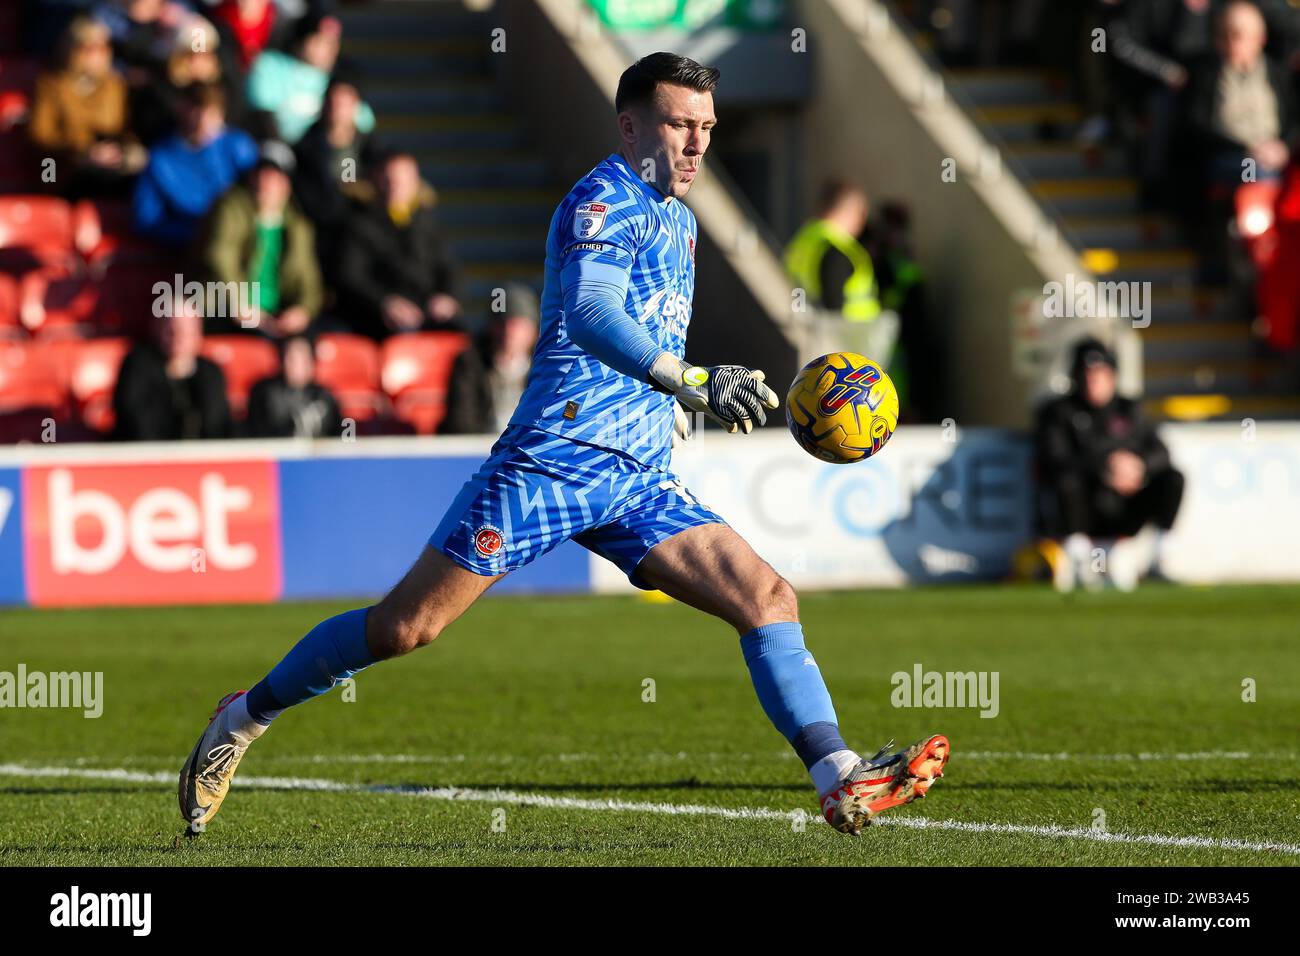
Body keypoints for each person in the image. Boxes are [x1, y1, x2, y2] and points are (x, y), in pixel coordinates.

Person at [177, 52, 949, 839]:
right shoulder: (602, 200)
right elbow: (588, 313)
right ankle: (242, 717)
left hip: (639, 477)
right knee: (405, 629)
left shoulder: (679, 221)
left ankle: (838, 776)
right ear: (629, 125)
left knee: (768, 599)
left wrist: (672, 407)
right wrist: (688, 379)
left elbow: (641, 335)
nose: (695, 145)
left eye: (708, 129)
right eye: (679, 124)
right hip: (553, 460)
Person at [1034, 337, 1185, 591]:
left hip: (1126, 505)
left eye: (1101, 374)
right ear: (1076, 377)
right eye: (1088, 375)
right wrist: (1104, 467)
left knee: (1172, 478)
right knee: (1067, 480)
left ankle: (1159, 559)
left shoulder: (1129, 409)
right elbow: (1054, 458)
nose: (1095, 381)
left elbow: (1160, 451)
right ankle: (1080, 562)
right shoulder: (1058, 412)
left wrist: (1138, 466)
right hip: (1085, 507)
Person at [197, 139, 323, 338]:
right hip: (227, 309)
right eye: (260, 173)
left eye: (273, 176)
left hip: (276, 314)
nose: (264, 182)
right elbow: (220, 255)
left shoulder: (298, 227)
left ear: (286, 185)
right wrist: (241, 304)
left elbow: (309, 279)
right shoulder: (231, 209)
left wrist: (303, 310)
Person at [335, 150, 463, 339]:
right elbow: (350, 276)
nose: (395, 187)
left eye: (402, 181)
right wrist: (384, 302)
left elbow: (448, 267)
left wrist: (448, 297)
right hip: (377, 319)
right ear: (377, 180)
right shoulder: (359, 223)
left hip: (426, 313)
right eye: (389, 179)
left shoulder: (426, 223)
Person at [28, 16, 147, 197]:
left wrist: (124, 150)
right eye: (89, 48)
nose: (97, 55)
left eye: (103, 47)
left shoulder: (114, 85)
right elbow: (41, 137)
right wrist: (84, 152)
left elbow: (123, 127)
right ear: (71, 49)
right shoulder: (50, 85)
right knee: (50, 169)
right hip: (64, 162)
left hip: (108, 162)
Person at [132, 82, 258, 245]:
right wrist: (198, 235)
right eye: (197, 111)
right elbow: (146, 220)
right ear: (181, 109)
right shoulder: (160, 158)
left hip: (240, 243)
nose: (204, 121)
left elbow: (263, 201)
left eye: (212, 114)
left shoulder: (238, 147)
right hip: (186, 251)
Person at [113, 296, 232, 441]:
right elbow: (134, 423)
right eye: (170, 328)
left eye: (185, 329)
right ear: (156, 327)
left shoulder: (211, 373)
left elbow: (218, 426)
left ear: (198, 331)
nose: (177, 336)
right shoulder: (137, 367)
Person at [245, 14, 374, 144]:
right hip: (275, 149)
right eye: (319, 41)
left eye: (331, 43)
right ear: (300, 41)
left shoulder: (340, 80)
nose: (326, 50)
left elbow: (364, 122)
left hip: (318, 153)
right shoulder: (271, 65)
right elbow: (262, 114)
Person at [441, 283, 539, 434]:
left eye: (516, 325)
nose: (507, 332)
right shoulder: (469, 363)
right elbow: (460, 421)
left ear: (532, 330)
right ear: (490, 328)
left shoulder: (547, 366)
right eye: (500, 324)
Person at [245, 332, 341, 438]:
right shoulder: (263, 393)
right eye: (291, 358)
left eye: (302, 359)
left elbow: (339, 434)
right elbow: (258, 435)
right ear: (281, 360)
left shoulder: (324, 395)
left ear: (312, 362)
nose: (296, 365)